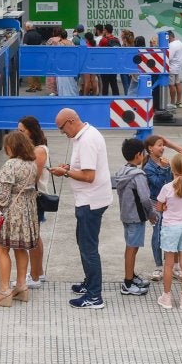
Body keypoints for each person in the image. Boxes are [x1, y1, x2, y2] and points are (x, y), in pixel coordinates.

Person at [52, 107, 112, 309]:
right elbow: (84, 169)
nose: (62, 133)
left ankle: (95, 296)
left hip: (90, 201)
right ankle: (89, 283)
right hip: (89, 199)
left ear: (70, 121)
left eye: (62, 128)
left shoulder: (86, 141)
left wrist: (65, 174)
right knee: (83, 242)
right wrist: (69, 168)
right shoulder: (84, 135)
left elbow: (88, 176)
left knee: (89, 249)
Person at [0, 130, 41, 307]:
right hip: (27, 211)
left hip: (11, 213)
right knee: (20, 248)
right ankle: (21, 287)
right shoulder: (31, 164)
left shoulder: (10, 165)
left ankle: (4, 291)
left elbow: (2, 197)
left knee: (2, 248)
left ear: (12, 147)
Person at [113, 137, 156, 297]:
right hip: (136, 217)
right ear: (138, 155)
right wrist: (151, 214)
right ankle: (128, 282)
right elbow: (145, 198)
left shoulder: (122, 172)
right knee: (132, 248)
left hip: (126, 215)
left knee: (131, 246)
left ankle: (131, 275)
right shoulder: (138, 176)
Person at [154, 152, 182, 310]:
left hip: (170, 227)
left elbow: (159, 207)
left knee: (169, 264)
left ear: (172, 168)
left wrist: (164, 207)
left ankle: (167, 297)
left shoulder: (167, 187)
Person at [18, 115, 51, 288]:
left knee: (33, 238)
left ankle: (35, 276)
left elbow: (33, 177)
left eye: (21, 130)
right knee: (34, 237)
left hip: (34, 198)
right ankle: (39, 273)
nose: (19, 133)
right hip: (30, 197)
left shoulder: (39, 150)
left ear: (31, 131)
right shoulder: (32, 148)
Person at [142, 135, 174, 281]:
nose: (162, 148)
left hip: (168, 202)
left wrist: (166, 168)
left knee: (168, 232)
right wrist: (164, 168)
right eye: (159, 145)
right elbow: (158, 184)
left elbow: (171, 182)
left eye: (163, 145)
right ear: (150, 148)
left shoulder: (164, 163)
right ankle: (158, 266)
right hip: (155, 203)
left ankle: (172, 265)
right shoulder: (148, 167)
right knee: (157, 233)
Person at [165, 29, 182, 111]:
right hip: (178, 67)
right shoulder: (180, 43)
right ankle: (179, 102)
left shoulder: (171, 45)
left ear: (169, 37)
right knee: (178, 83)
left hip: (171, 68)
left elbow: (169, 57)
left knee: (171, 85)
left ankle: (172, 102)